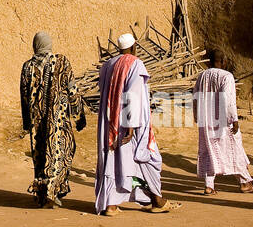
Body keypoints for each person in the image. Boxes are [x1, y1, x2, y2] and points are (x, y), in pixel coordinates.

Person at [95, 33, 171, 215]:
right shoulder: (135, 64)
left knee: (114, 160)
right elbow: (133, 96)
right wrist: (130, 127)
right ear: (134, 47)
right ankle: (156, 199)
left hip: (110, 123)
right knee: (144, 156)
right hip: (130, 124)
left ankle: (111, 205)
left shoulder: (108, 64)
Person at [20, 31, 86, 208]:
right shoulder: (61, 61)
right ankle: (52, 191)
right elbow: (71, 88)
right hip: (58, 121)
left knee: (41, 155)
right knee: (61, 151)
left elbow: (24, 97)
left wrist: (27, 122)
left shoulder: (27, 67)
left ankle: (43, 193)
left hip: (37, 122)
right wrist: (79, 114)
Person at [193, 51, 253, 194]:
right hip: (222, 120)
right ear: (224, 61)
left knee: (210, 150)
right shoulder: (226, 76)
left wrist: (197, 115)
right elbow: (228, 100)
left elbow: (195, 96)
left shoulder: (201, 76)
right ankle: (245, 182)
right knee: (233, 148)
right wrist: (234, 119)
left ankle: (209, 186)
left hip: (205, 120)